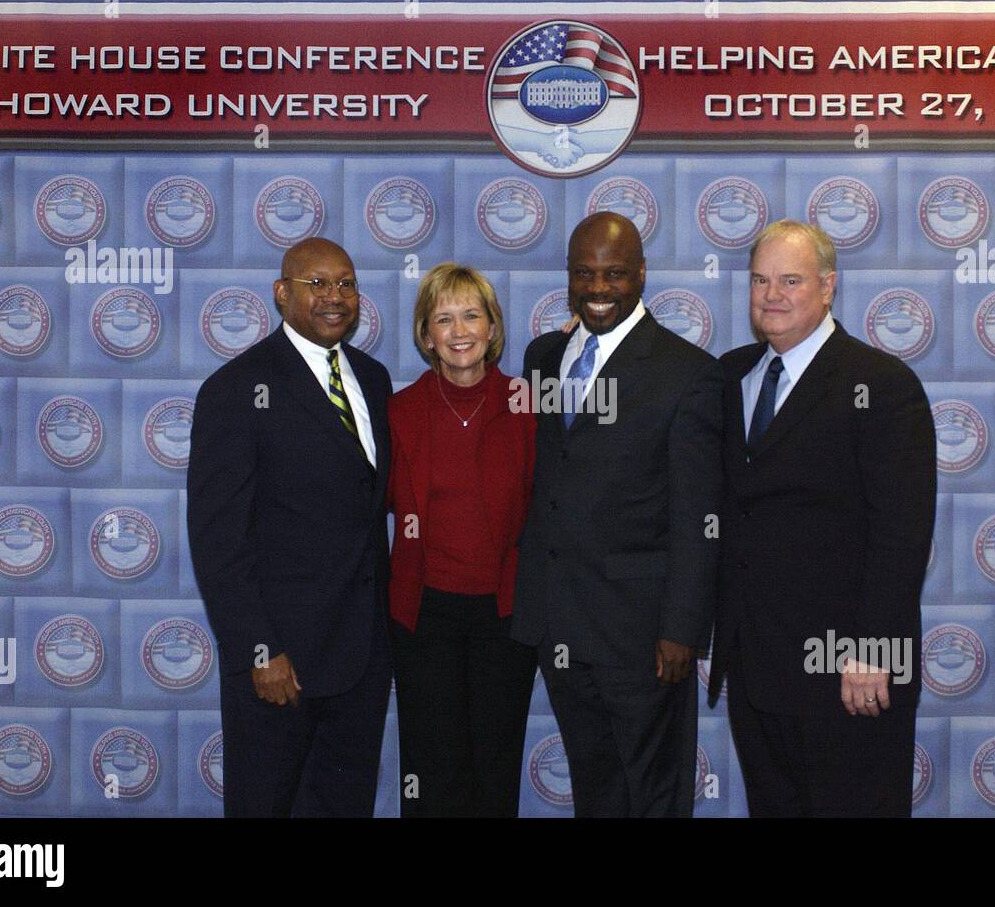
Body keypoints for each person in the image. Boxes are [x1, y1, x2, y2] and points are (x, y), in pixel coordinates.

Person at [709, 219, 936, 817]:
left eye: (790, 280)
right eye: (760, 280)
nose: (771, 295)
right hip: (756, 670)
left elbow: (903, 534)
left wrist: (874, 651)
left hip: (848, 674)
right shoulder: (731, 375)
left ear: (829, 286)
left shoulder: (881, 384)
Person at [512, 212, 724, 817]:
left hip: (642, 634)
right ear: (568, 277)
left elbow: (697, 514)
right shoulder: (543, 357)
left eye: (614, 274)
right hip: (557, 622)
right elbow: (549, 473)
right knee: (596, 786)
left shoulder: (688, 374)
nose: (598, 288)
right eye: (584, 274)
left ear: (641, 276)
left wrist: (683, 629)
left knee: (653, 794)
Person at [186, 237, 392, 817]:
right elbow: (217, 540)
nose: (335, 297)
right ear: (282, 294)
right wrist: (260, 651)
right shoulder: (234, 389)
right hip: (279, 666)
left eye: (346, 284)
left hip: (360, 663)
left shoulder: (373, 381)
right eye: (317, 284)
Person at [387, 263, 538, 817]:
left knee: (494, 772)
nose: (459, 331)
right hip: (425, 615)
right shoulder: (398, 412)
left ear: (493, 328)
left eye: (472, 314)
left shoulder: (529, 406)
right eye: (443, 318)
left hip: (506, 618)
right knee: (431, 775)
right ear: (426, 335)